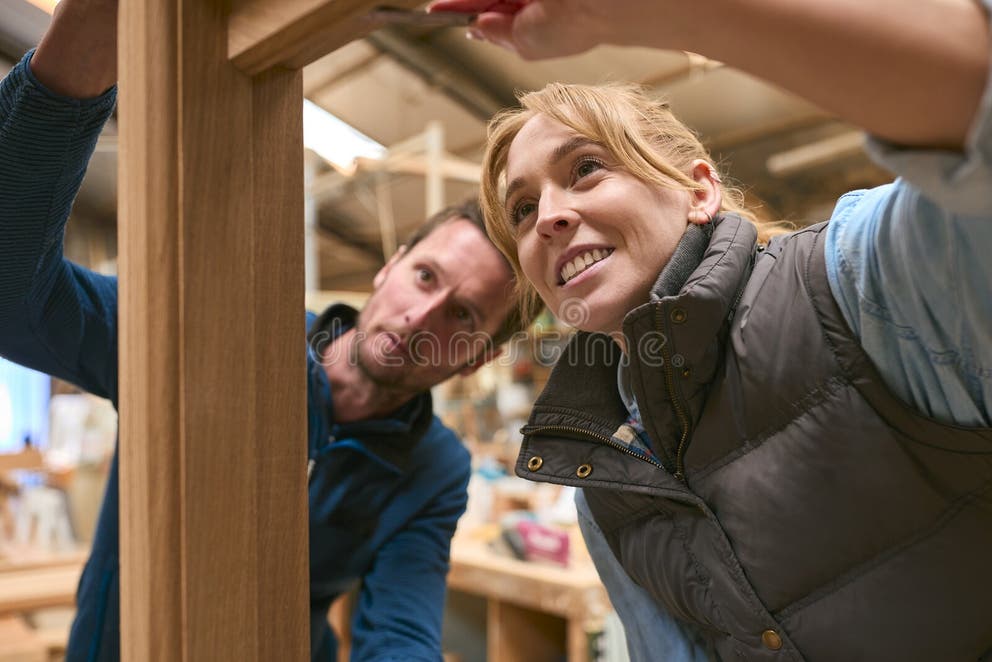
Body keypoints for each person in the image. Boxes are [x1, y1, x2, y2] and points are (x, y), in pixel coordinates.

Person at [426, 0, 992, 659]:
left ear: (699, 192)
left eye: (585, 168)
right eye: (523, 210)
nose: (549, 216)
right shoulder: (603, 472)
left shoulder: (854, 286)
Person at [0, 1, 543, 660]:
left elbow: (400, 628)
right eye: (426, 278)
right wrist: (78, 55)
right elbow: (12, 298)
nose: (423, 316)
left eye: (463, 315)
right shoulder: (204, 331)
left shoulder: (433, 467)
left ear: (475, 360)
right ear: (389, 269)